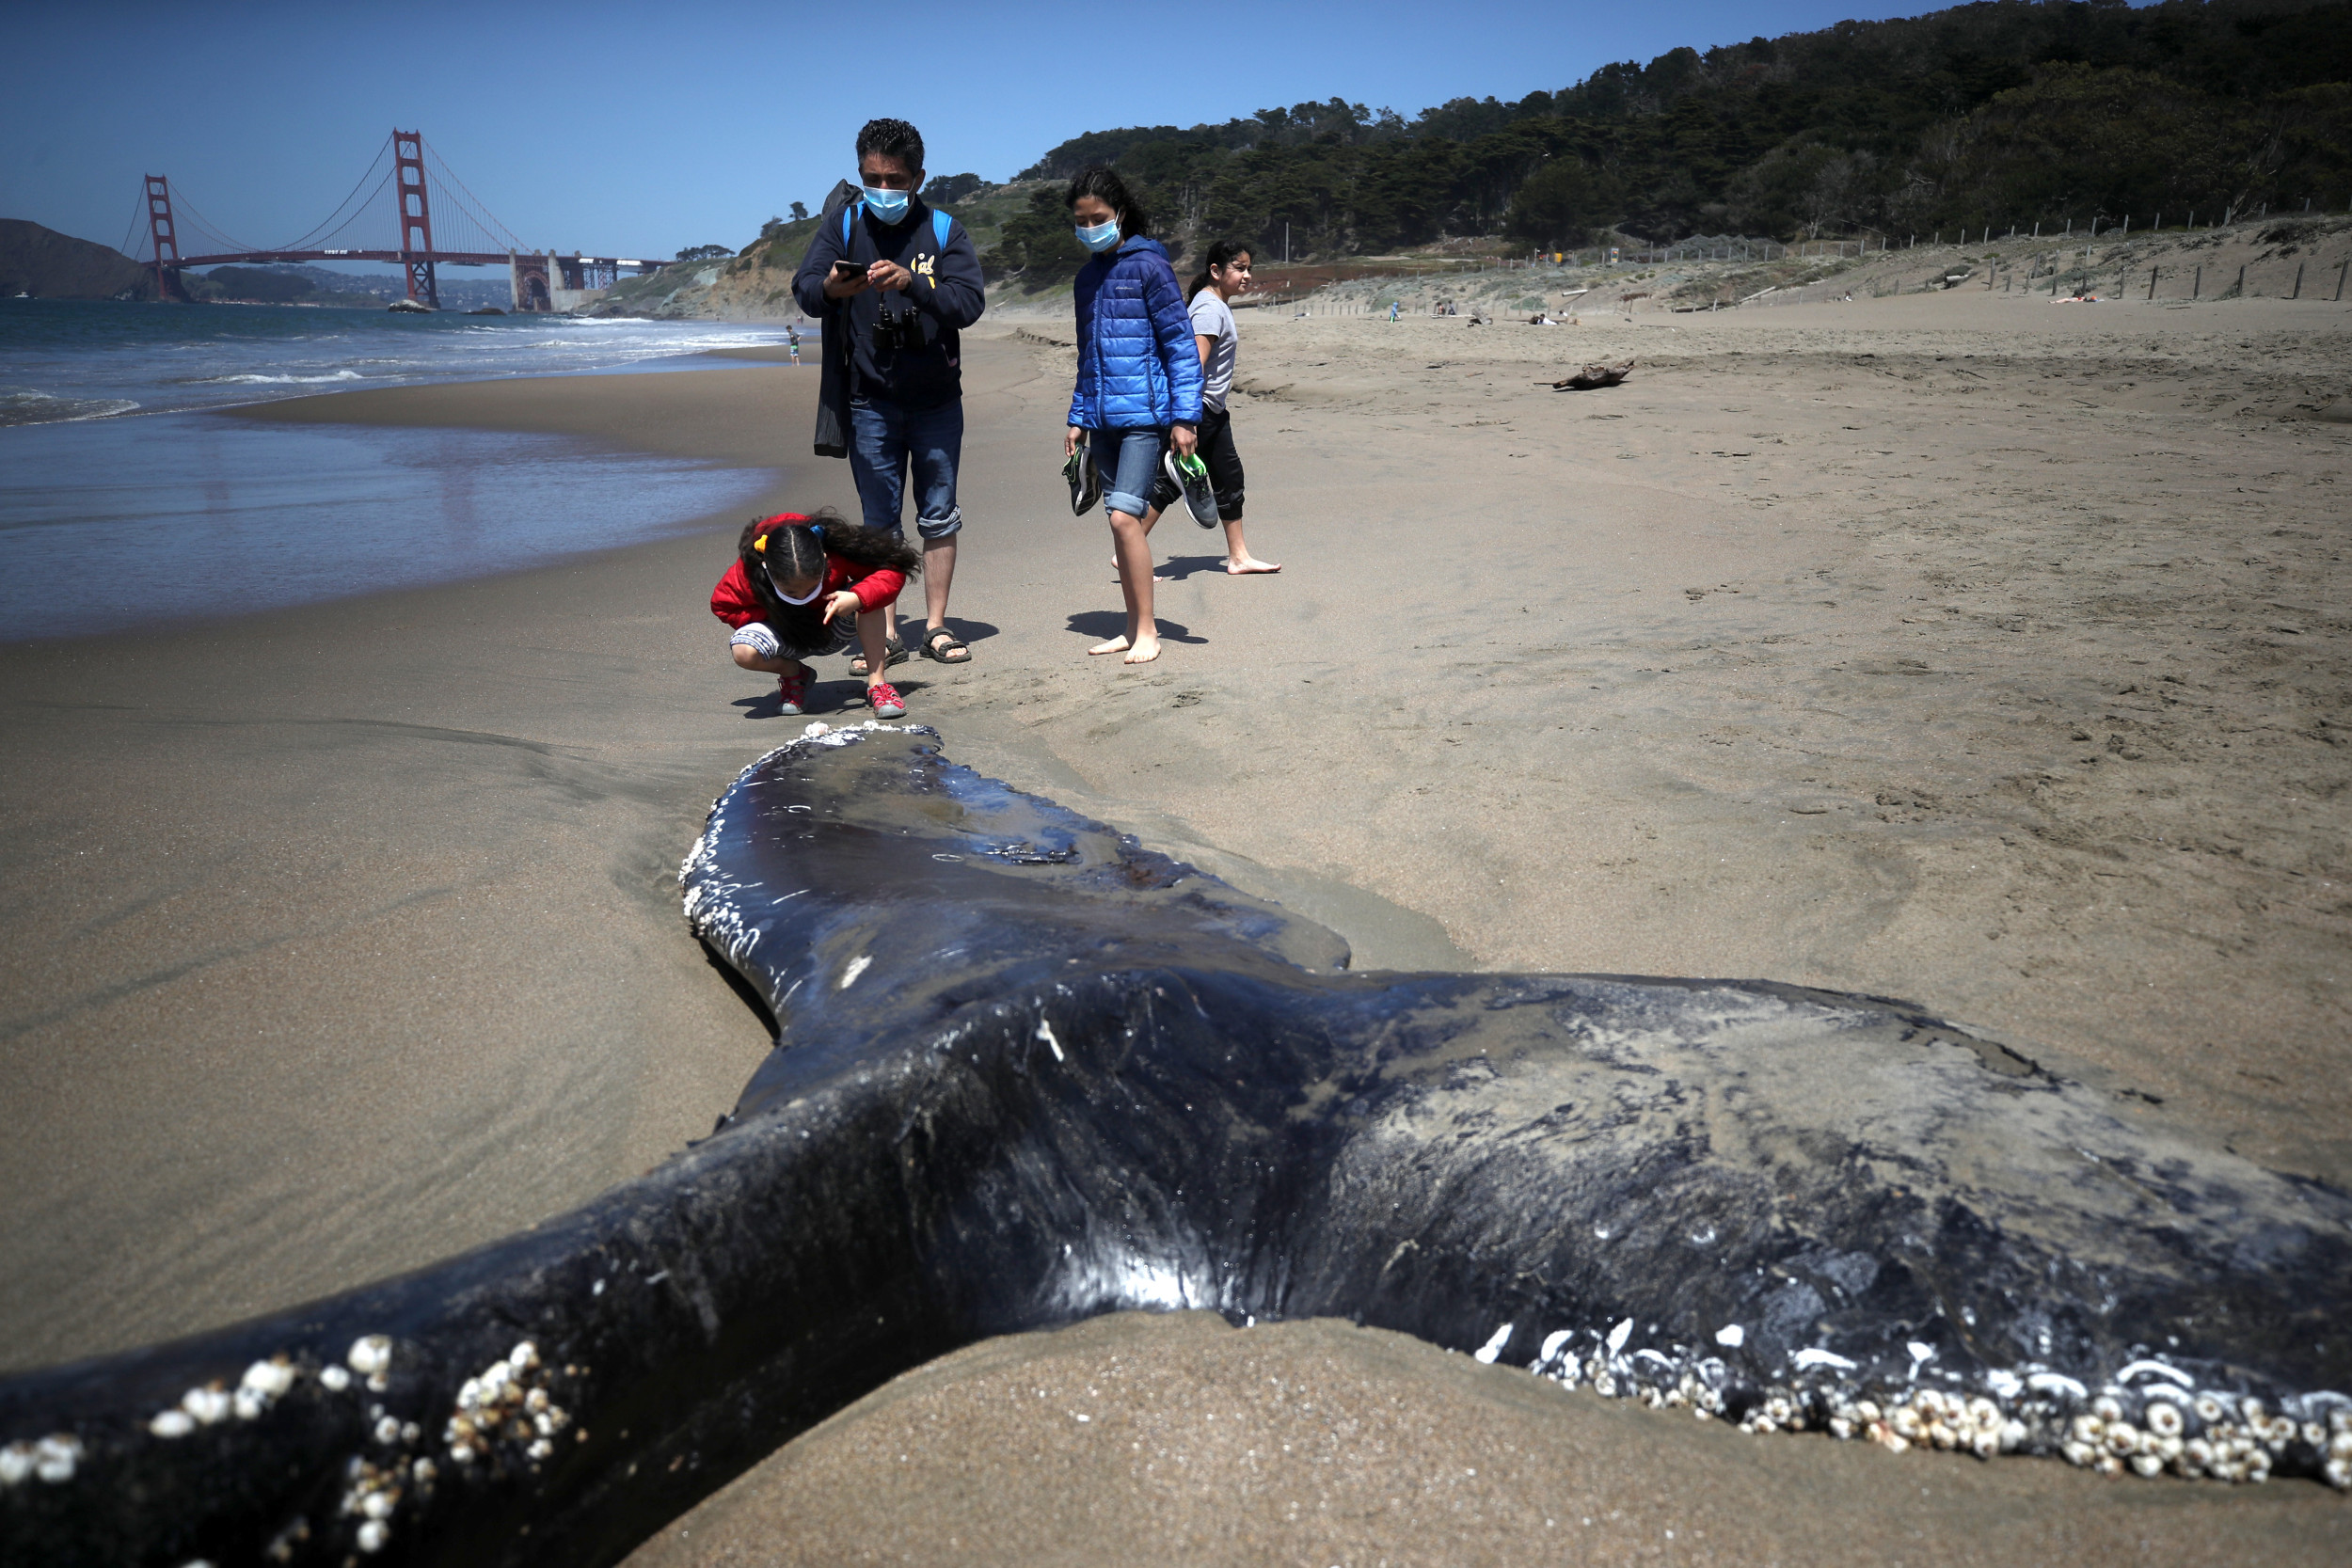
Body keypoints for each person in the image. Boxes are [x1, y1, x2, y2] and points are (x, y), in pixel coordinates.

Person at [792, 118, 985, 672]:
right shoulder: (844, 221)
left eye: (894, 179)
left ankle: (938, 626)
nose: (883, 189)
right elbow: (806, 289)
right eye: (872, 177)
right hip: (869, 401)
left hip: (937, 403)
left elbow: (968, 304)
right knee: (879, 523)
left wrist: (912, 283)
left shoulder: (946, 231)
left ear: (919, 177)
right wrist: (832, 287)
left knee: (939, 514)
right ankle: (888, 631)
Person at [1061, 166, 1201, 665]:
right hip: (1101, 421)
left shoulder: (1149, 266)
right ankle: (1130, 627)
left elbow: (1181, 346)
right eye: (1082, 220)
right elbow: (1087, 357)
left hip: (1145, 417)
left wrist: (1185, 418)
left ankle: (1148, 632)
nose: (1091, 226)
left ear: (1119, 214)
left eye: (1099, 217)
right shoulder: (1086, 279)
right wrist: (1078, 416)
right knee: (1120, 524)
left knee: (1126, 519)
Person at [1136, 240, 1279, 576]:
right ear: (1216, 271)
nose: (1247, 275)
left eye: (1248, 268)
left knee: (1221, 479)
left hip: (1208, 409)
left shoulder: (1211, 304)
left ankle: (1238, 556)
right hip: (1200, 410)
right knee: (1175, 481)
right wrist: (1187, 420)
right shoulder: (1210, 309)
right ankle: (1129, 550)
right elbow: (1194, 364)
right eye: (1239, 268)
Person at [711, 510, 920, 719]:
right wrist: (778, 617)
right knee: (743, 651)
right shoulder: (750, 571)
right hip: (788, 637)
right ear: (768, 570)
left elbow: (891, 569)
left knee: (868, 595)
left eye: (811, 589)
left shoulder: (837, 551)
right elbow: (723, 606)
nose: (802, 596)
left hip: (835, 626)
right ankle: (793, 673)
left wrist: (856, 598)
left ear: (824, 560)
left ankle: (878, 684)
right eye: (791, 591)